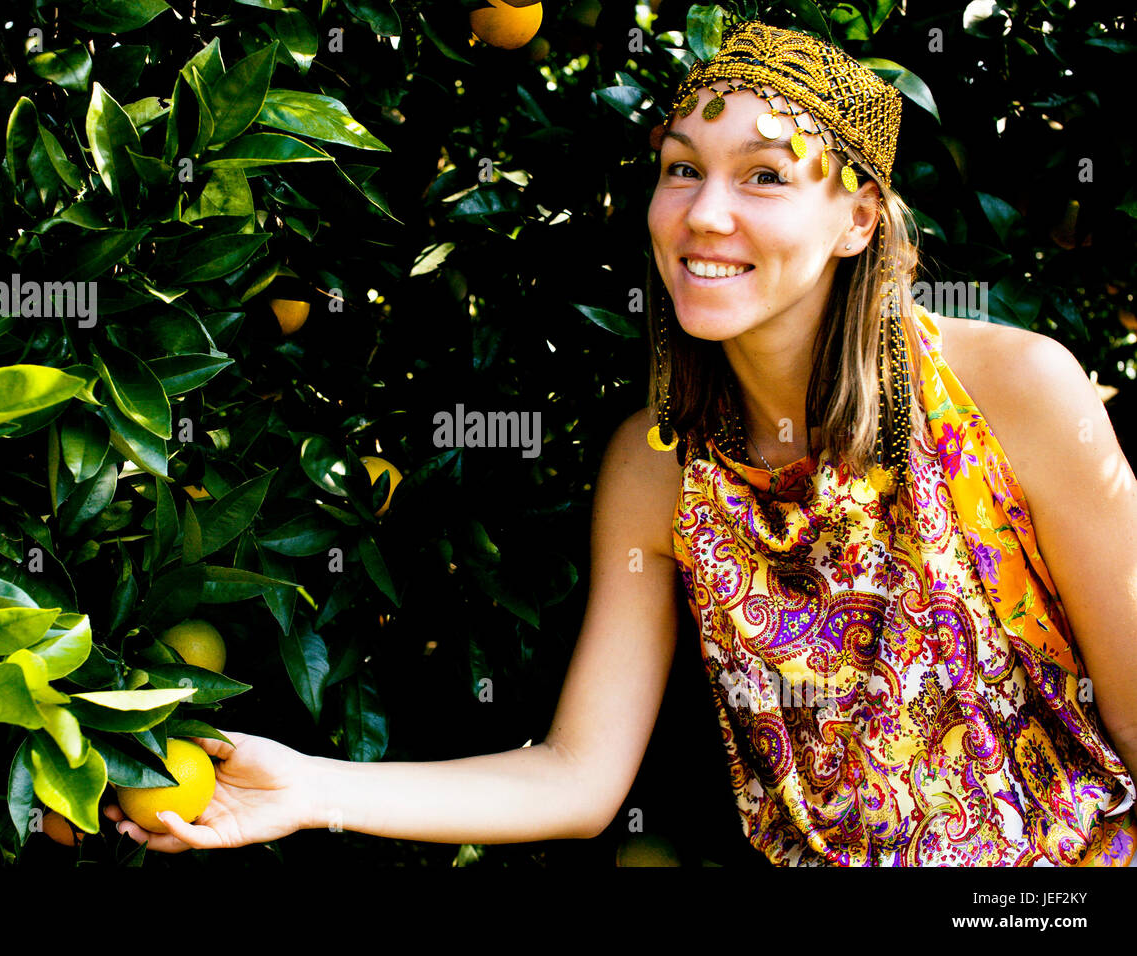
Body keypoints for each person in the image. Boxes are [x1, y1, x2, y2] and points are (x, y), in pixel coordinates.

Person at [105, 21, 1137, 865]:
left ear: (858, 218)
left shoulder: (1010, 389)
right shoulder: (658, 465)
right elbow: (577, 775)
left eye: (766, 176)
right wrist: (310, 785)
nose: (704, 213)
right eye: (681, 169)